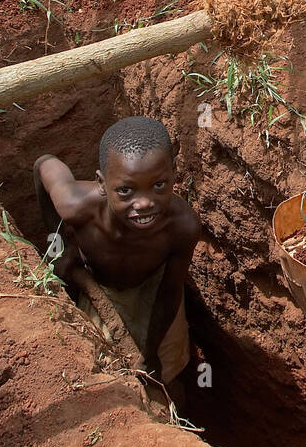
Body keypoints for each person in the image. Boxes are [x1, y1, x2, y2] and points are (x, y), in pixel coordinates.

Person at [33, 116, 200, 399]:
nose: (145, 202)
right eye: (125, 191)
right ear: (101, 183)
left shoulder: (182, 226)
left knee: (167, 368)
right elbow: (43, 164)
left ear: (174, 173)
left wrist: (150, 355)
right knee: (105, 372)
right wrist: (58, 246)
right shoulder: (76, 206)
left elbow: (170, 291)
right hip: (102, 287)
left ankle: (176, 412)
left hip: (154, 286)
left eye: (159, 185)